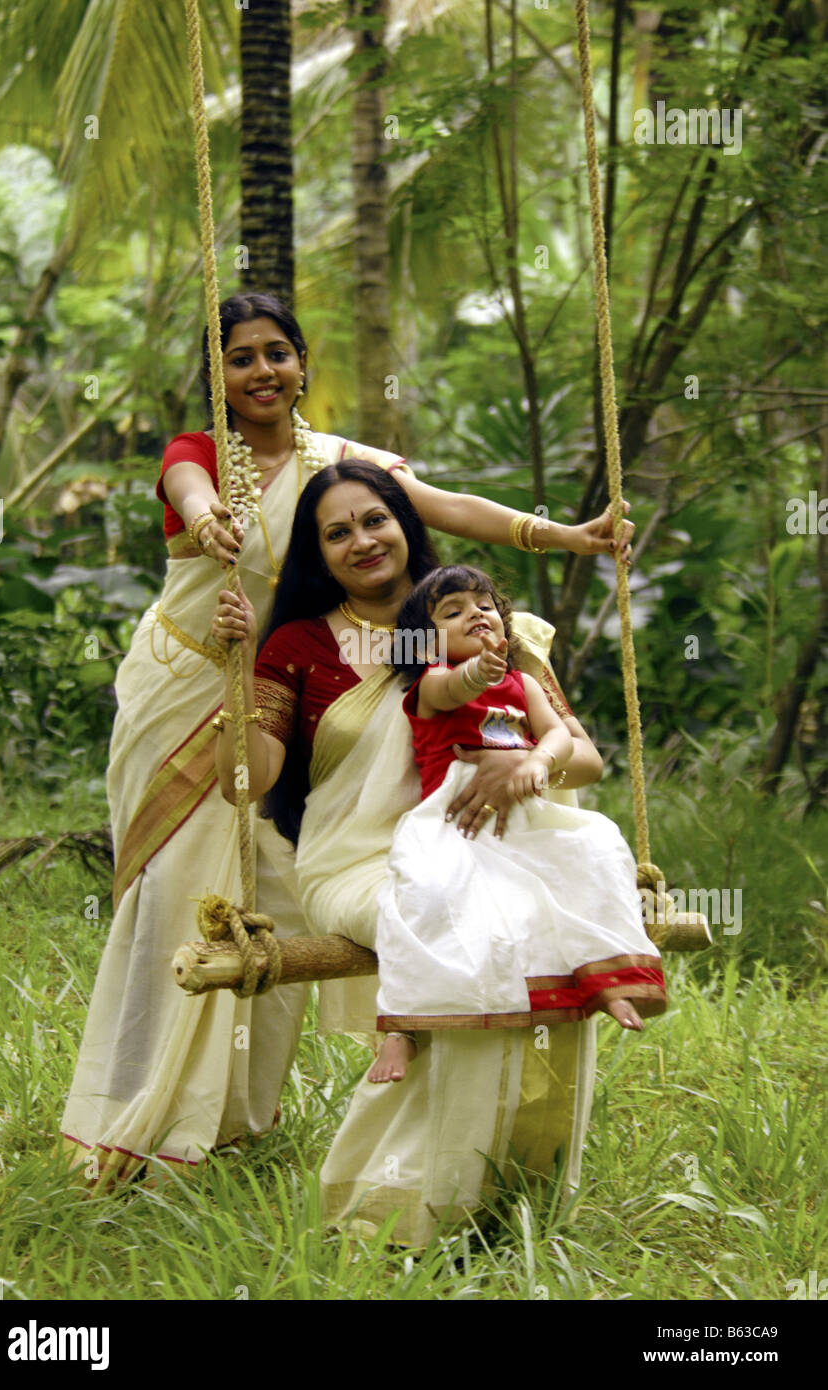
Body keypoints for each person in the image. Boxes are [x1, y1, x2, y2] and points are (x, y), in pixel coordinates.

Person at [61, 289, 633, 1187]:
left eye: (276, 352)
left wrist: (564, 536)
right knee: (184, 897)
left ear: (302, 364)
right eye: (240, 358)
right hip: (194, 682)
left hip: (321, 672)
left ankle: (240, 1116)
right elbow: (190, 487)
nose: (261, 371)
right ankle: (137, 1116)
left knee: (280, 892)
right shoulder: (199, 454)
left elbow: (443, 505)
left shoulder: (345, 470)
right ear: (217, 376)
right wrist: (212, 519)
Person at [214, 463, 618, 1246]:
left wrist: (516, 763)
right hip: (359, 865)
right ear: (317, 554)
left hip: (495, 848)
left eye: (376, 519)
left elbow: (588, 760)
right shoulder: (298, 644)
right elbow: (247, 781)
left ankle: (513, 1198)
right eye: (337, 532)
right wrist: (229, 668)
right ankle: (390, 1208)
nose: (362, 540)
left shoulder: (471, 616)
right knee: (470, 932)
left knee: (535, 931)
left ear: (405, 523)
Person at [365, 564, 666, 1085]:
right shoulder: (431, 683)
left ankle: (609, 977)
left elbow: (559, 737)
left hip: (525, 814)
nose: (474, 614)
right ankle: (404, 1025)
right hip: (453, 819)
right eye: (452, 612)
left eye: (484, 606)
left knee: (595, 847)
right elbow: (454, 689)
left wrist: (538, 763)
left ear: (504, 625)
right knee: (423, 896)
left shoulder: (523, 683)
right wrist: (477, 672)